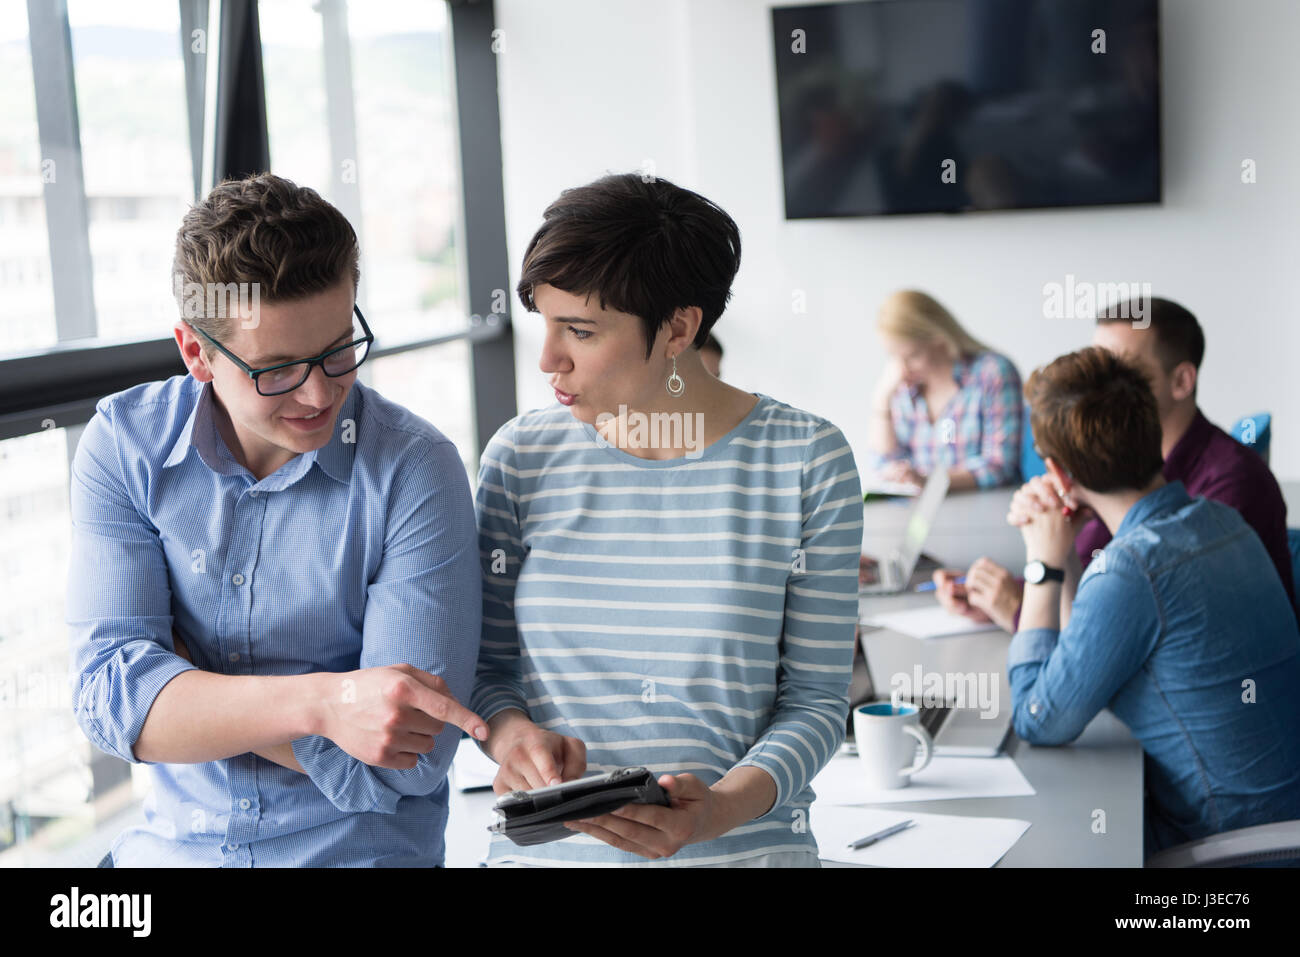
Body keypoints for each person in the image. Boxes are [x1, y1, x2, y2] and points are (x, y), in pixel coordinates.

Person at [68, 173, 486, 867]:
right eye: (279, 370)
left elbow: (408, 760)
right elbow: (110, 703)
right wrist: (328, 703)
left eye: (336, 349)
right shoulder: (124, 444)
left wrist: (184, 679)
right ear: (196, 352)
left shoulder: (415, 469)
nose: (321, 394)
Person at [472, 173, 863, 867]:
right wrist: (510, 738)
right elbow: (488, 667)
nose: (546, 359)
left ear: (679, 327)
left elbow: (815, 700)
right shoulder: (520, 457)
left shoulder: (806, 459)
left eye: (581, 331)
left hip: (745, 854)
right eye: (546, 323)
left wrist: (720, 808)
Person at [1007, 346, 1300, 858]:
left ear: (1058, 473)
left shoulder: (1133, 570)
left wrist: (1042, 564)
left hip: (1232, 845)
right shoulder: (1220, 520)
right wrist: (1070, 561)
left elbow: (1038, 717)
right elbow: (1087, 658)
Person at [933, 297, 1296, 630]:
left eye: (1121, 369)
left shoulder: (1232, 483)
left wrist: (1018, 608)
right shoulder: (1113, 463)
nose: (1098, 385)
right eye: (1096, 365)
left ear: (1182, 381)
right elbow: (1089, 581)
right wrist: (999, 591)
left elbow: (1130, 632)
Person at [868, 290, 1022, 492]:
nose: (902, 368)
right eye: (894, 357)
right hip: (922, 514)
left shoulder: (993, 373)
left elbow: (999, 466)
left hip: (985, 509)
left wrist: (931, 482)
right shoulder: (903, 385)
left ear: (940, 340)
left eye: (913, 355)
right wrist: (882, 398)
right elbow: (883, 462)